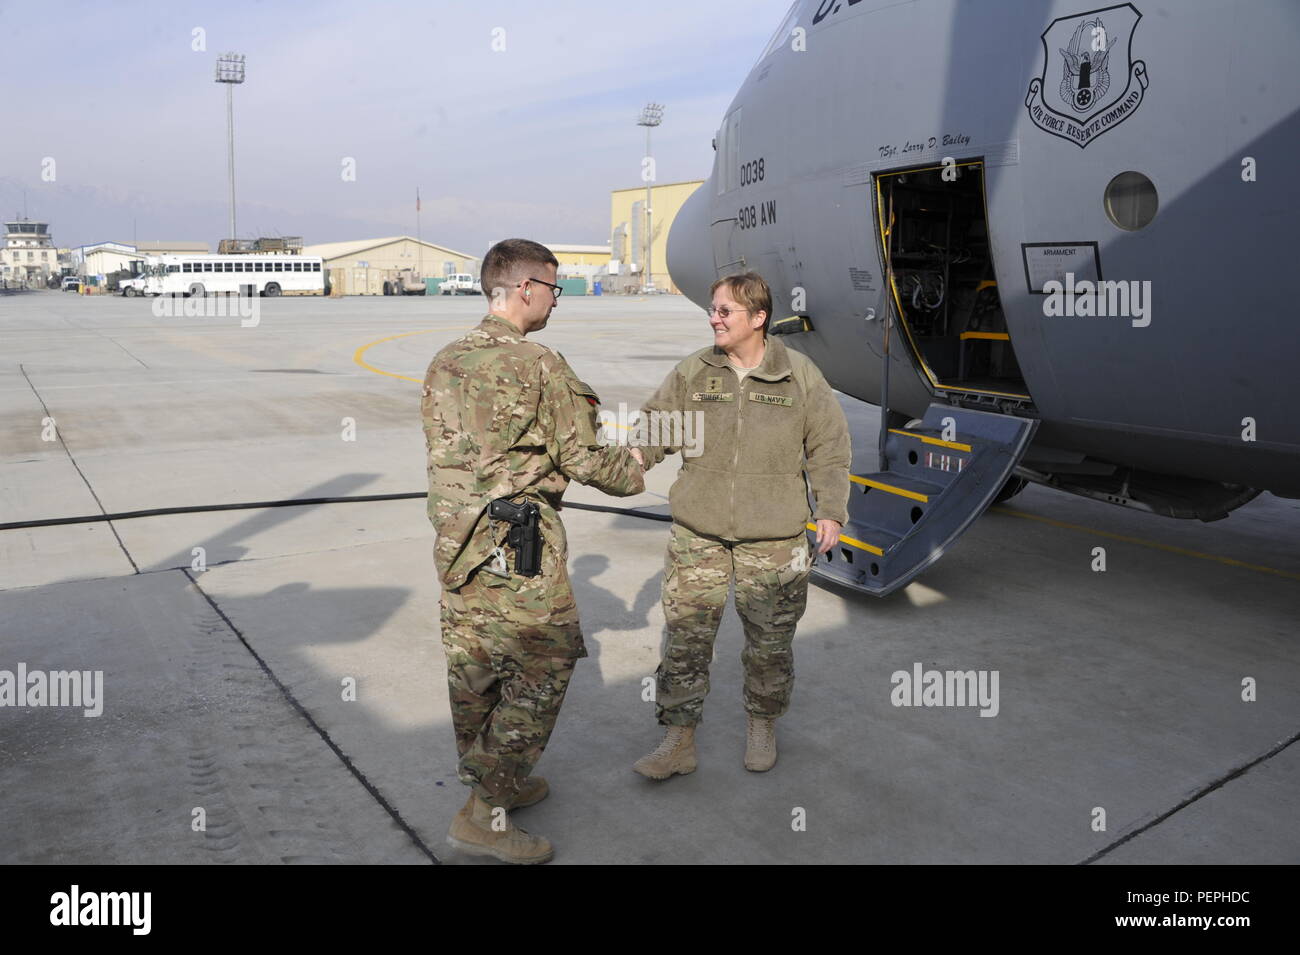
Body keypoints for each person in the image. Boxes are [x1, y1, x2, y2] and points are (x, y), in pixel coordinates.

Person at [422, 238, 645, 864]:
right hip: (519, 551)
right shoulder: (538, 363)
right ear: (524, 290)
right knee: (545, 667)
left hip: (459, 547)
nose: (557, 298)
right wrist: (637, 466)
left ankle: (500, 785)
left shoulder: (447, 359)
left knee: (476, 670)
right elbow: (582, 455)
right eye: (554, 287)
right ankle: (485, 813)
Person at [631, 271, 850, 778]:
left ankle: (762, 725)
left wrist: (831, 510)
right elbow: (658, 424)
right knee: (685, 642)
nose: (714, 318)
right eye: (713, 309)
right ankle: (678, 740)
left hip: (774, 540)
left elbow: (829, 446)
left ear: (758, 318)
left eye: (725, 311)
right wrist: (638, 456)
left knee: (769, 647)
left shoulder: (799, 374)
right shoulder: (696, 371)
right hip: (698, 533)